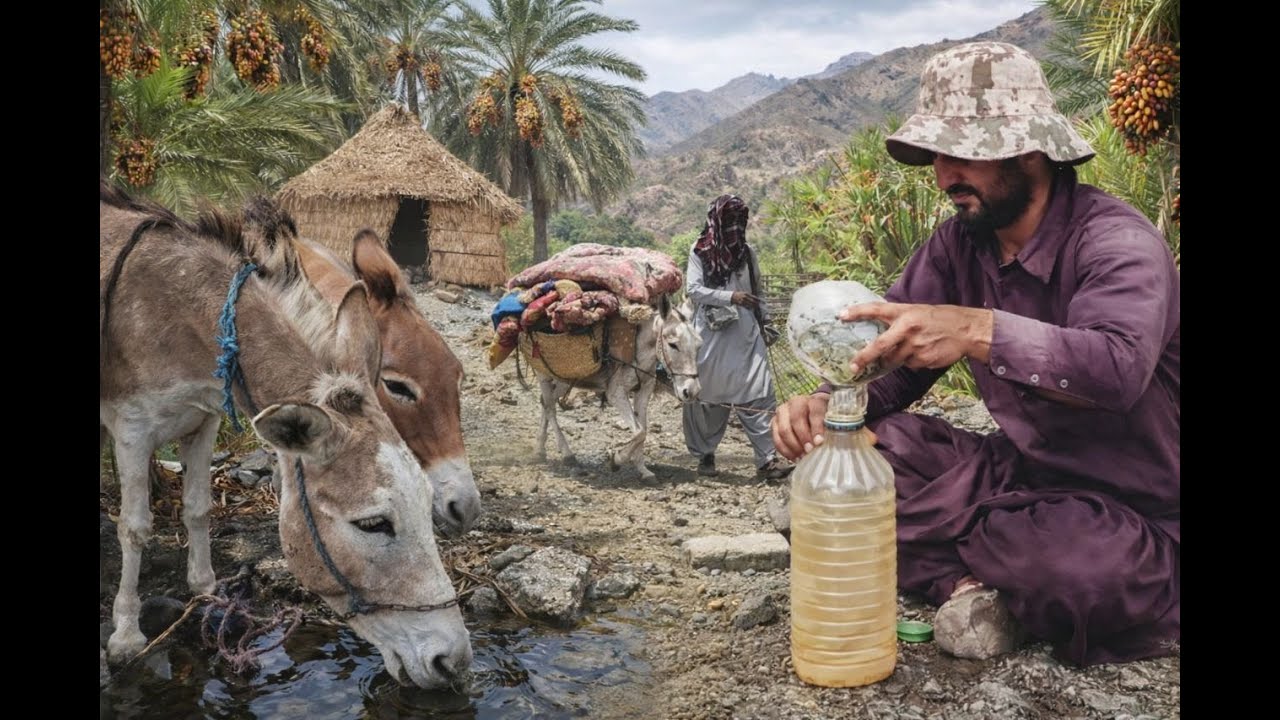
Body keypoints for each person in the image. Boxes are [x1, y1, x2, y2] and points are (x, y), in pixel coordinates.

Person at [770, 41, 1179, 667]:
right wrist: (828, 407)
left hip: (1139, 510)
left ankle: (978, 565)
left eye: (965, 154)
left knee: (1079, 564)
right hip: (1024, 478)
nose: (944, 175)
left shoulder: (1117, 243)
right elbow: (889, 361)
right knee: (869, 455)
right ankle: (978, 579)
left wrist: (975, 329)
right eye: (937, 154)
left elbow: (1116, 370)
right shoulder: (961, 243)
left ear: (1030, 150)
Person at [684, 194, 794, 481]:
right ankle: (705, 455)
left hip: (746, 334)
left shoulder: (747, 253)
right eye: (730, 221)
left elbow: (758, 292)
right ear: (718, 222)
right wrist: (730, 296)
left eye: (739, 221)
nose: (736, 227)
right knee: (708, 398)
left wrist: (766, 322)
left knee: (760, 392)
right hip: (710, 335)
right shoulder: (699, 252)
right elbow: (693, 289)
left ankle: (767, 461)